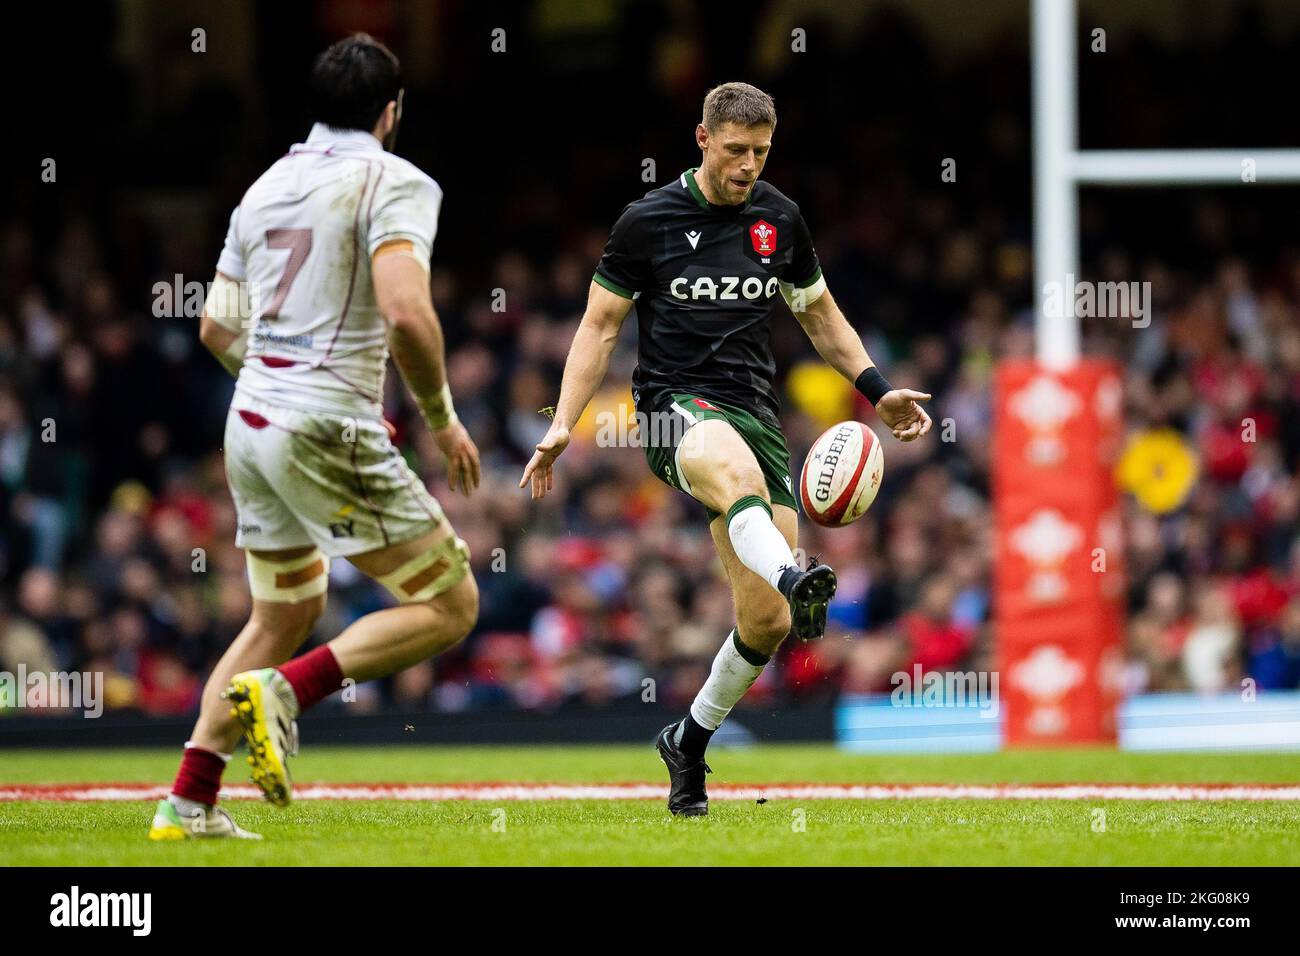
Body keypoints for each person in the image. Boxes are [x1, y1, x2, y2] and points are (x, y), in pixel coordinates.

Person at [519, 82, 933, 816]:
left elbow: (822, 318)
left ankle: (688, 741)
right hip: (673, 408)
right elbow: (598, 326)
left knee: (766, 624)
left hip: (756, 414)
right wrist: (563, 423)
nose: (748, 166)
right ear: (703, 140)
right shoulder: (646, 222)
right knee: (738, 482)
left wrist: (879, 388)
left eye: (762, 152)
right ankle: (797, 574)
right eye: (736, 150)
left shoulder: (781, 219)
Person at [149, 34, 481, 840]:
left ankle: (187, 799)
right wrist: (440, 418)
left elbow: (216, 327)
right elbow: (407, 313)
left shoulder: (264, 189)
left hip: (251, 423)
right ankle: (286, 692)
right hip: (323, 420)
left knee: (283, 611)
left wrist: (274, 382)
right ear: (391, 110)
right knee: (449, 603)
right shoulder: (395, 181)